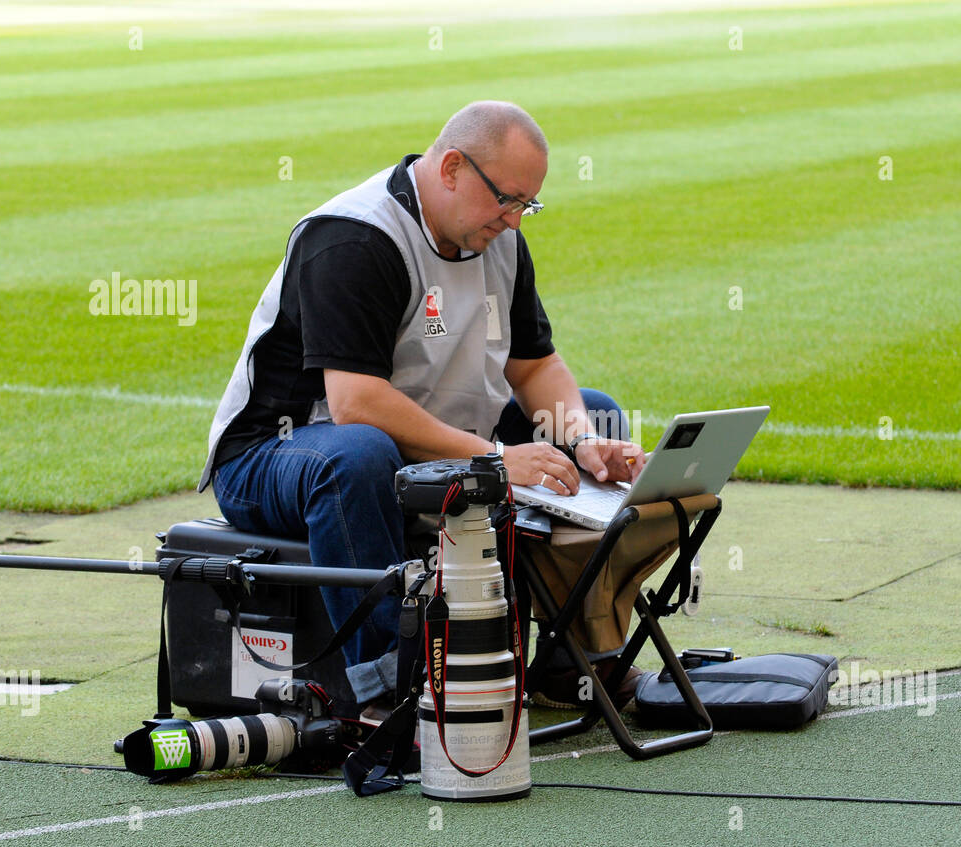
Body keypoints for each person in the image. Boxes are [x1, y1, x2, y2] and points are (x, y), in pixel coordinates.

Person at [197, 101, 644, 712]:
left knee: (594, 411)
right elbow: (354, 403)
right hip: (275, 451)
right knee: (356, 456)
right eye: (507, 200)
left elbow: (534, 365)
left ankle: (573, 664)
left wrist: (585, 440)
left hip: (413, 439)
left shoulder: (499, 240)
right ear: (453, 167)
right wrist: (495, 458)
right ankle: (393, 691)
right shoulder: (355, 236)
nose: (514, 221)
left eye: (527, 205)